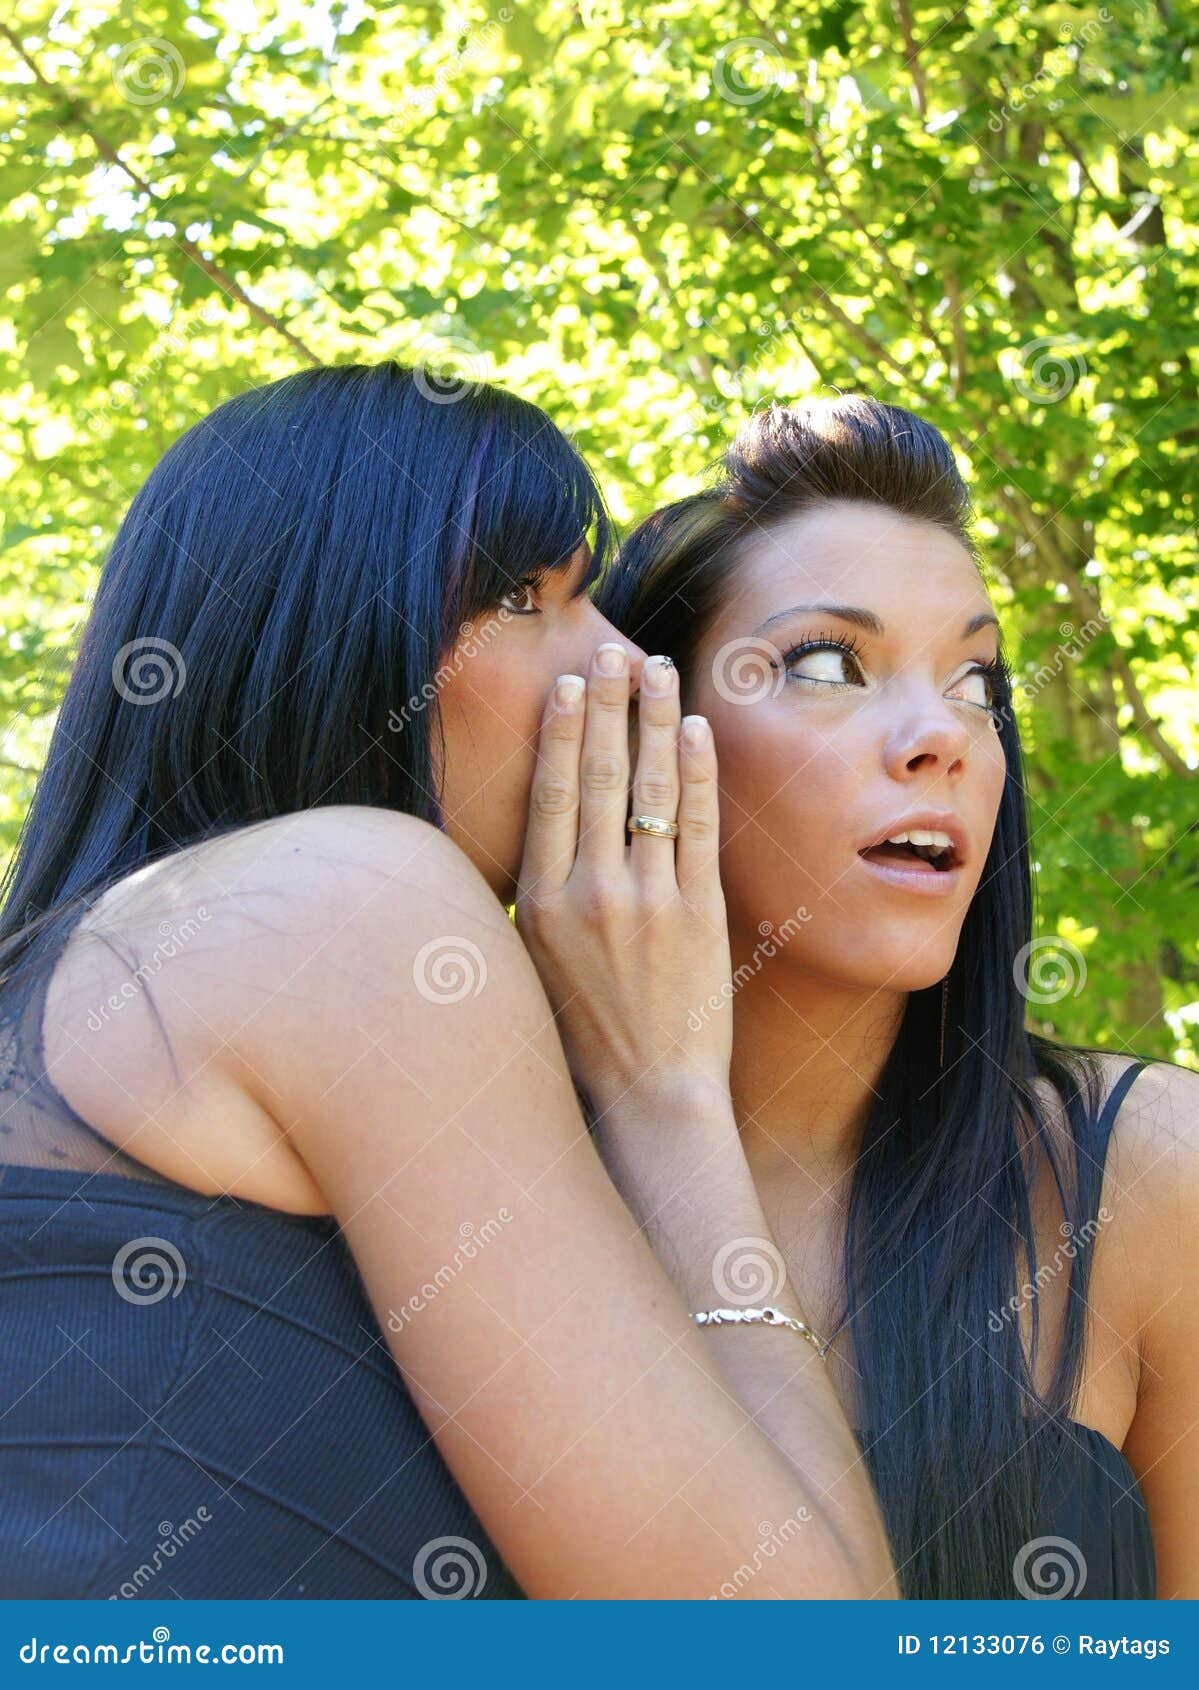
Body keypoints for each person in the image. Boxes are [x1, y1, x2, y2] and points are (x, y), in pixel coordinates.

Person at [0, 362, 897, 1600]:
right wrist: (665, 1085)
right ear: (328, 636)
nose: (623, 664)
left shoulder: (88, 975)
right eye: (523, 598)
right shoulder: (349, 899)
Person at [589, 394, 1199, 1600]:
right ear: (643, 736)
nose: (942, 737)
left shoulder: (1143, 1175)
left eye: (973, 680)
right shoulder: (473, 1170)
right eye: (827, 664)